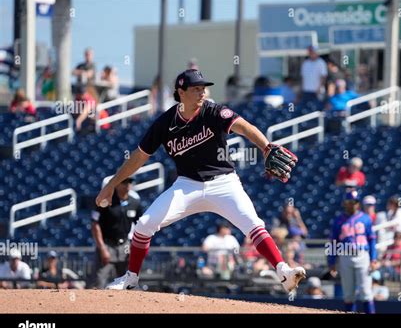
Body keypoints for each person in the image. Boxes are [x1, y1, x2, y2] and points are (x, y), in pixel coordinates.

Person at [96, 69, 306, 294]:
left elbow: (244, 127)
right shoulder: (165, 123)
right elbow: (138, 157)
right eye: (196, 88)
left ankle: (283, 271)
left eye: (203, 88)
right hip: (187, 185)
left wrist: (266, 147)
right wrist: (111, 185)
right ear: (181, 92)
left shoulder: (214, 111)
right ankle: (131, 278)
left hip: (224, 183)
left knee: (254, 225)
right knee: (144, 224)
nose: (202, 92)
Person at [328, 190, 377, 313]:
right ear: (344, 203)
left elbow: (371, 240)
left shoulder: (366, 218)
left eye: (354, 202)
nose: (352, 204)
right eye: (349, 202)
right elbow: (333, 241)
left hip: (362, 255)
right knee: (348, 293)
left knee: (366, 292)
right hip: (345, 256)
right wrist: (331, 261)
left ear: (358, 203)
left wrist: (373, 259)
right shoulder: (338, 220)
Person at [91, 177, 143, 289]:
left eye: (130, 182)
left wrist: (134, 247)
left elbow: (141, 224)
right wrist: (102, 248)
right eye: (124, 182)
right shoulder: (106, 201)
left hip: (125, 245)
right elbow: (95, 224)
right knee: (99, 281)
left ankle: (130, 305)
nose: (127, 185)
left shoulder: (134, 202)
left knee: (129, 281)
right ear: (117, 184)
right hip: (107, 244)